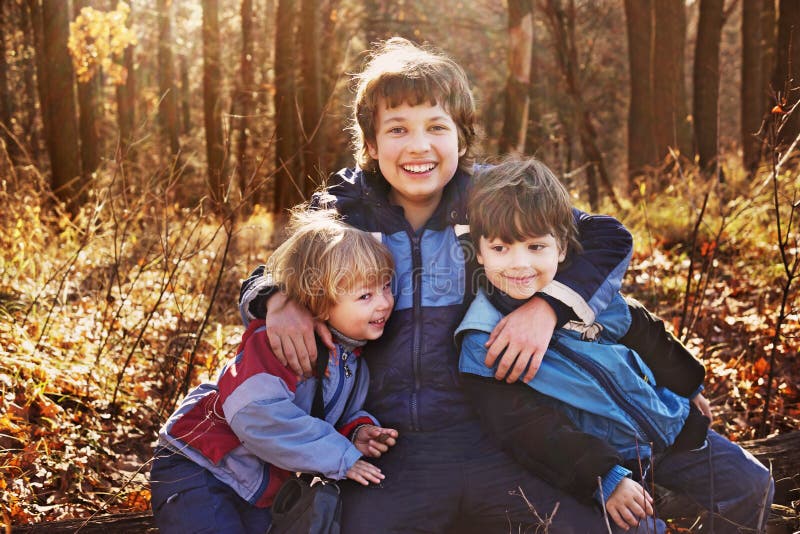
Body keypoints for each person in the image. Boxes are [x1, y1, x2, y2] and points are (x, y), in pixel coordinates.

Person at [238, 36, 656, 533]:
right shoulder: (346, 212)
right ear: (370, 145)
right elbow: (278, 268)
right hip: (386, 445)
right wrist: (278, 298)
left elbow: (608, 238)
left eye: (437, 127)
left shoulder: (494, 200)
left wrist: (544, 309)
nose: (419, 146)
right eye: (398, 129)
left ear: (462, 137)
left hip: (498, 436)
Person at [456, 157, 775, 533]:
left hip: (665, 427)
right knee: (642, 528)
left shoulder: (585, 297)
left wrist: (688, 385)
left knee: (754, 485)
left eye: (535, 247)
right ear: (478, 253)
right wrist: (602, 476)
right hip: (599, 459)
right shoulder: (483, 339)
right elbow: (526, 427)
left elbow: (646, 333)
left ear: (561, 248)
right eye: (500, 249)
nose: (519, 264)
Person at [150, 210, 400, 533]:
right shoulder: (282, 344)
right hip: (200, 463)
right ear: (321, 302)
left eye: (386, 287)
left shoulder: (354, 365)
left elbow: (325, 419)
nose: (384, 303)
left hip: (253, 485)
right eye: (365, 295)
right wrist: (340, 456)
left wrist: (355, 433)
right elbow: (255, 414)